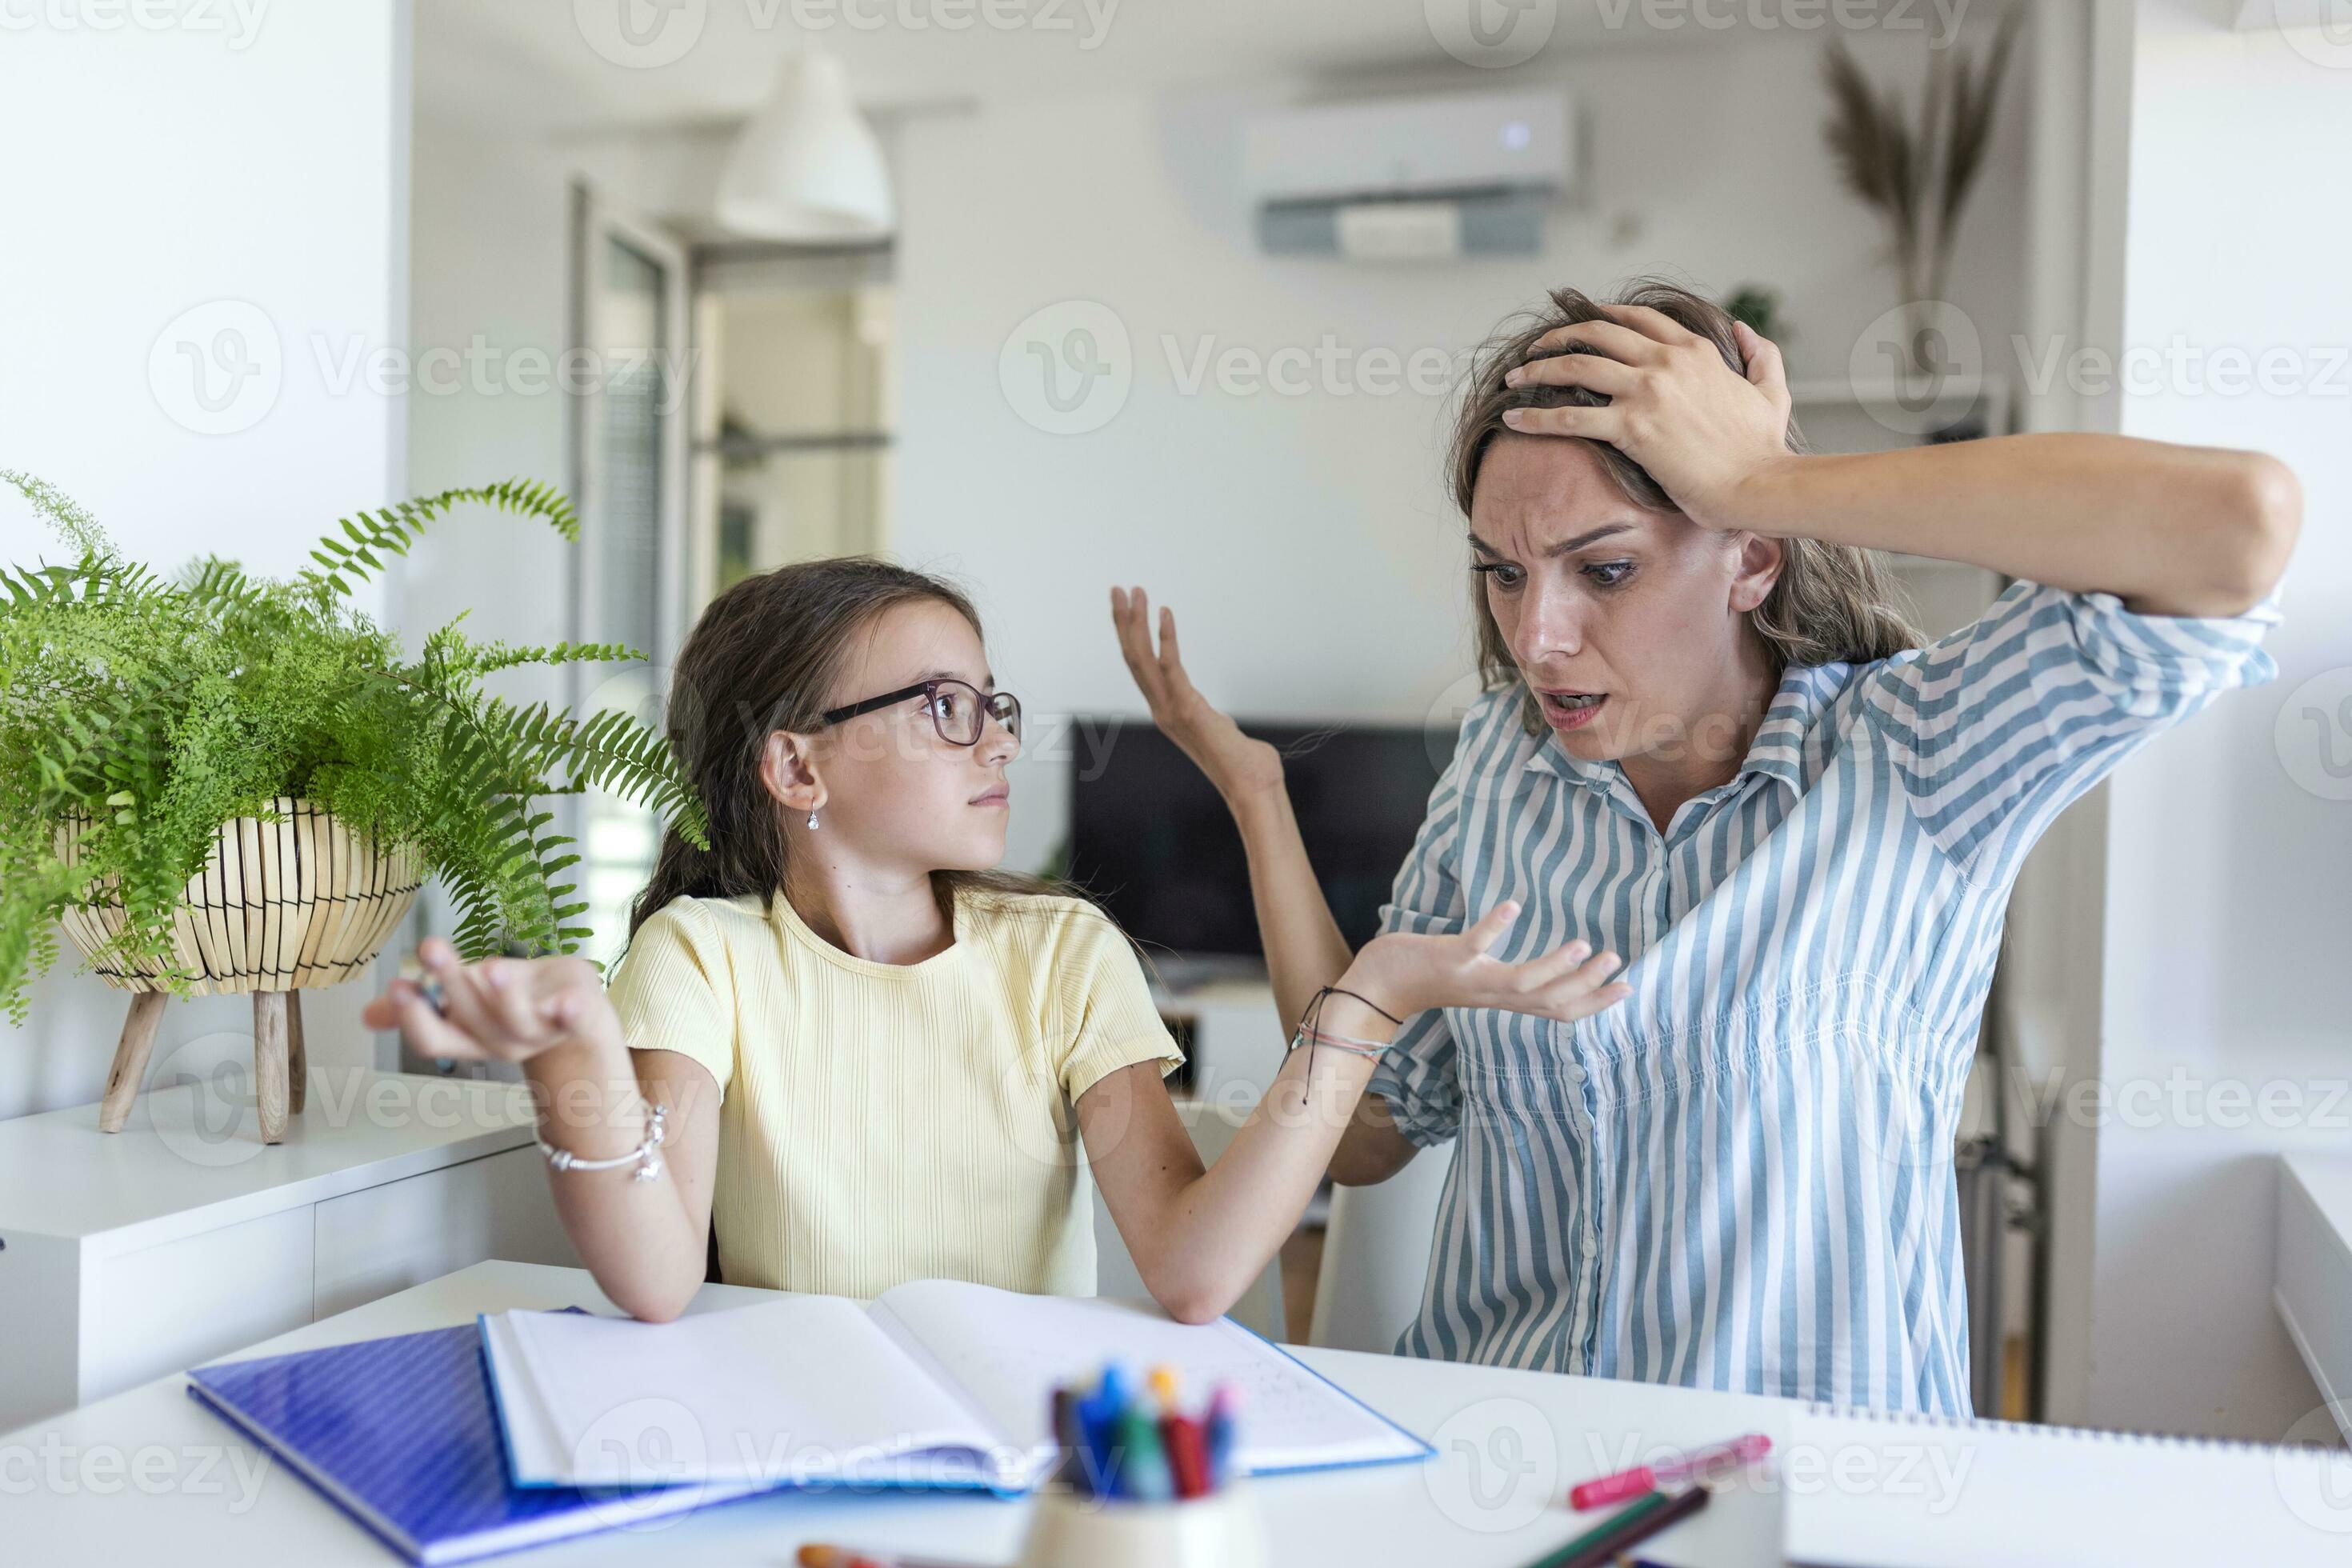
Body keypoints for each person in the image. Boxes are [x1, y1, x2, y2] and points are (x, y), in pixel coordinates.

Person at [1110, 279, 2298, 1412]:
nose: (1536, 636)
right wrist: (1260, 800)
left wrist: (1764, 474)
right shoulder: (1499, 770)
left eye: (1606, 570)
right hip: (1500, 1475)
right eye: (1503, 575)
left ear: (1753, 554)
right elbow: (1371, 1133)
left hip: (1804, 1498)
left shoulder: (1915, 756)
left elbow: (2236, 523)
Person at [365, 557, 1628, 1325]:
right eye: (945, 709)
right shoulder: (704, 958)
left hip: (1018, 1455)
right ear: (794, 764)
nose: (997, 742)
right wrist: (574, 1049)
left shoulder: (1062, 951)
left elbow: (1193, 1273)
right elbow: (650, 1280)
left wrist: (1372, 991)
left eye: (993, 705)